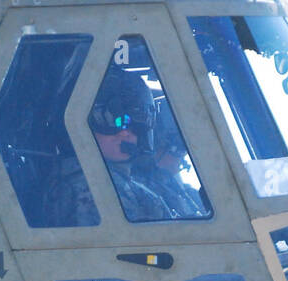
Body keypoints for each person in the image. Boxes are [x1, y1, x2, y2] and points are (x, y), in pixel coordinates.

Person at [44, 68, 208, 226]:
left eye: (135, 121)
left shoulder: (112, 180)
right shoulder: (90, 188)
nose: (124, 133)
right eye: (112, 121)